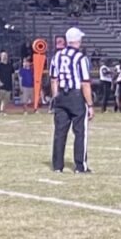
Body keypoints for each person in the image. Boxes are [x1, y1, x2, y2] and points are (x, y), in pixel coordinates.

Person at [49, 26, 92, 172]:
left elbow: (53, 80)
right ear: (77, 41)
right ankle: (80, 166)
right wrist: (90, 105)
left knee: (59, 132)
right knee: (80, 132)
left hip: (61, 95)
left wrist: (56, 97)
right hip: (76, 96)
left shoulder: (57, 56)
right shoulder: (80, 58)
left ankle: (57, 166)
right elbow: (85, 83)